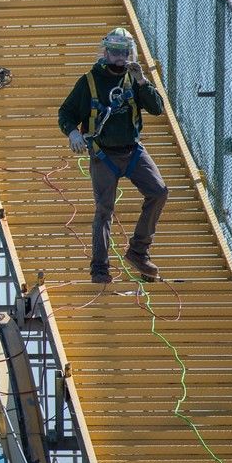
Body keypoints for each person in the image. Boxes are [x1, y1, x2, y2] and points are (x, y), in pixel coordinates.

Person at [58, 28, 169, 284]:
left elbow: (156, 109)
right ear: (106, 51)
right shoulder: (90, 81)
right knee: (104, 210)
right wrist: (73, 133)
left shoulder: (133, 78)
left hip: (132, 150)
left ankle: (138, 252)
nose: (120, 57)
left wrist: (143, 81)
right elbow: (66, 112)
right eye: (116, 51)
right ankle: (99, 268)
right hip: (103, 154)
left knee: (159, 191)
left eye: (125, 52)